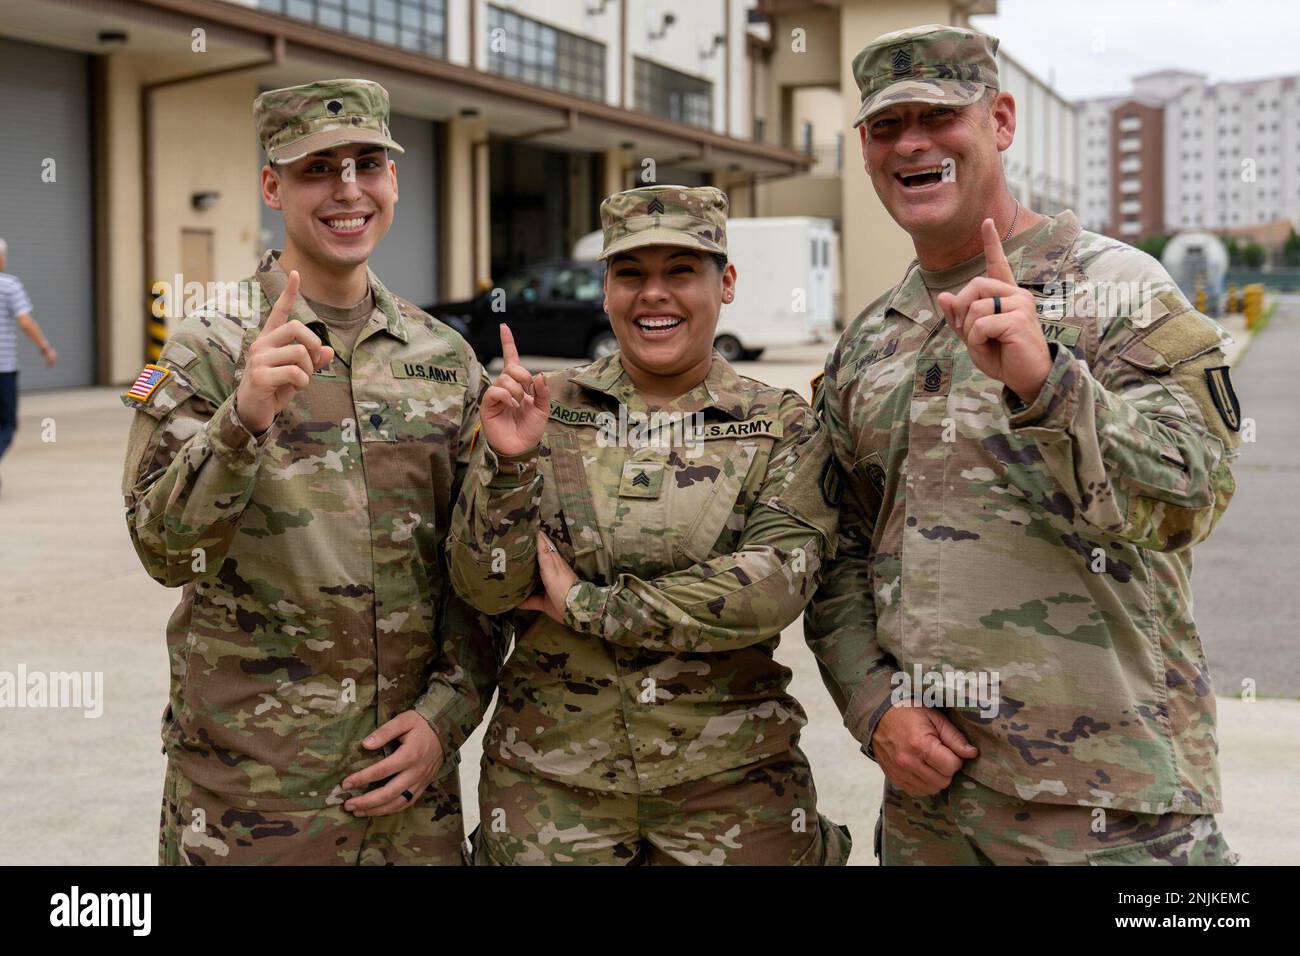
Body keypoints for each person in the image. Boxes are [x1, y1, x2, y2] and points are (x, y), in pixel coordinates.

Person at [805, 25, 1242, 865]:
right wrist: (873, 706)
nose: (913, 144)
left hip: (1118, 810)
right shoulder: (869, 342)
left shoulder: (1122, 292)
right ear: (864, 150)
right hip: (935, 812)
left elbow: (1194, 497)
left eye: (940, 116)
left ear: (1000, 121)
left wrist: (1050, 387)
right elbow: (837, 550)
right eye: (887, 127)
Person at [120, 79, 501, 865]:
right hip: (254, 798)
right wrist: (245, 417)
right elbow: (163, 551)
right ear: (273, 186)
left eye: (369, 163)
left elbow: (478, 572)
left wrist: (447, 715)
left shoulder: (445, 358)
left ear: (395, 180)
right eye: (319, 168)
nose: (349, 189)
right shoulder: (208, 347)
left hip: (409, 795)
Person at [447, 185, 851, 865]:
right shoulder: (542, 409)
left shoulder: (781, 424)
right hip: (552, 788)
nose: (653, 294)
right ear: (605, 290)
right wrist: (508, 468)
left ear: (725, 283)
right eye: (630, 274)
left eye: (680, 272)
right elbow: (484, 589)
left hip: (732, 789)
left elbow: (770, 588)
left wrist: (585, 603)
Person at [0, 238, 58, 495]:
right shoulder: (9, 285)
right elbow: (25, 321)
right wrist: (45, 347)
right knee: (6, 425)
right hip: (3, 368)